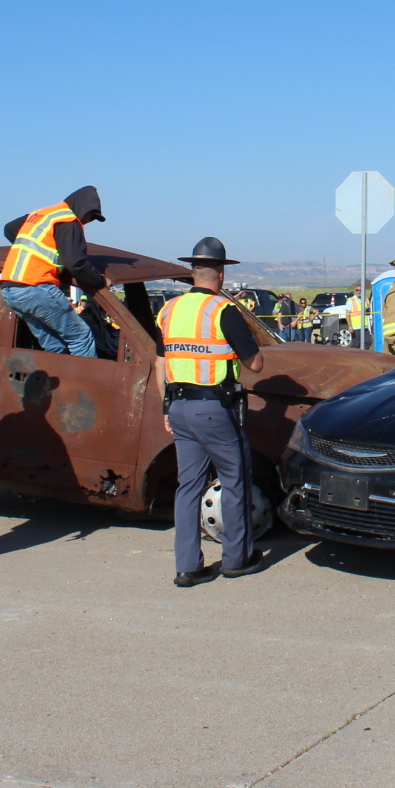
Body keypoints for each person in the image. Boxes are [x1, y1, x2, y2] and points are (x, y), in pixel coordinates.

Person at [156, 237, 269, 587]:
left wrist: (166, 408)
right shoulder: (223, 311)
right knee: (235, 479)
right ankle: (236, 558)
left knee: (187, 486)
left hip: (178, 407)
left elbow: (160, 362)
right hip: (214, 408)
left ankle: (187, 567)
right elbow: (257, 364)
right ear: (220, 274)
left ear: (193, 273)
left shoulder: (168, 310)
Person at [0, 186, 108, 356]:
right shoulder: (68, 221)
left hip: (12, 291)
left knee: (55, 345)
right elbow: (77, 264)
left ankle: (61, 381)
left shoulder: (42, 214)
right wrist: (100, 281)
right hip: (36, 288)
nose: (88, 220)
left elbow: (10, 229)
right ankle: (85, 382)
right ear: (82, 207)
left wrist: (38, 249)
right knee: (81, 337)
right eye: (90, 215)